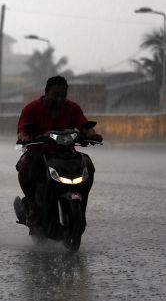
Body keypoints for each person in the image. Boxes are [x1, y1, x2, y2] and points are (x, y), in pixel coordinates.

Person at [16, 75, 103, 227]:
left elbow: (84, 125)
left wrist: (92, 135)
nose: (60, 99)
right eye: (56, 95)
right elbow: (22, 130)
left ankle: (81, 207)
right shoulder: (31, 108)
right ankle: (33, 209)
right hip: (39, 154)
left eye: (63, 95)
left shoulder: (72, 108)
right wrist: (26, 137)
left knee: (87, 164)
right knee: (25, 167)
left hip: (67, 154)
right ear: (46, 92)